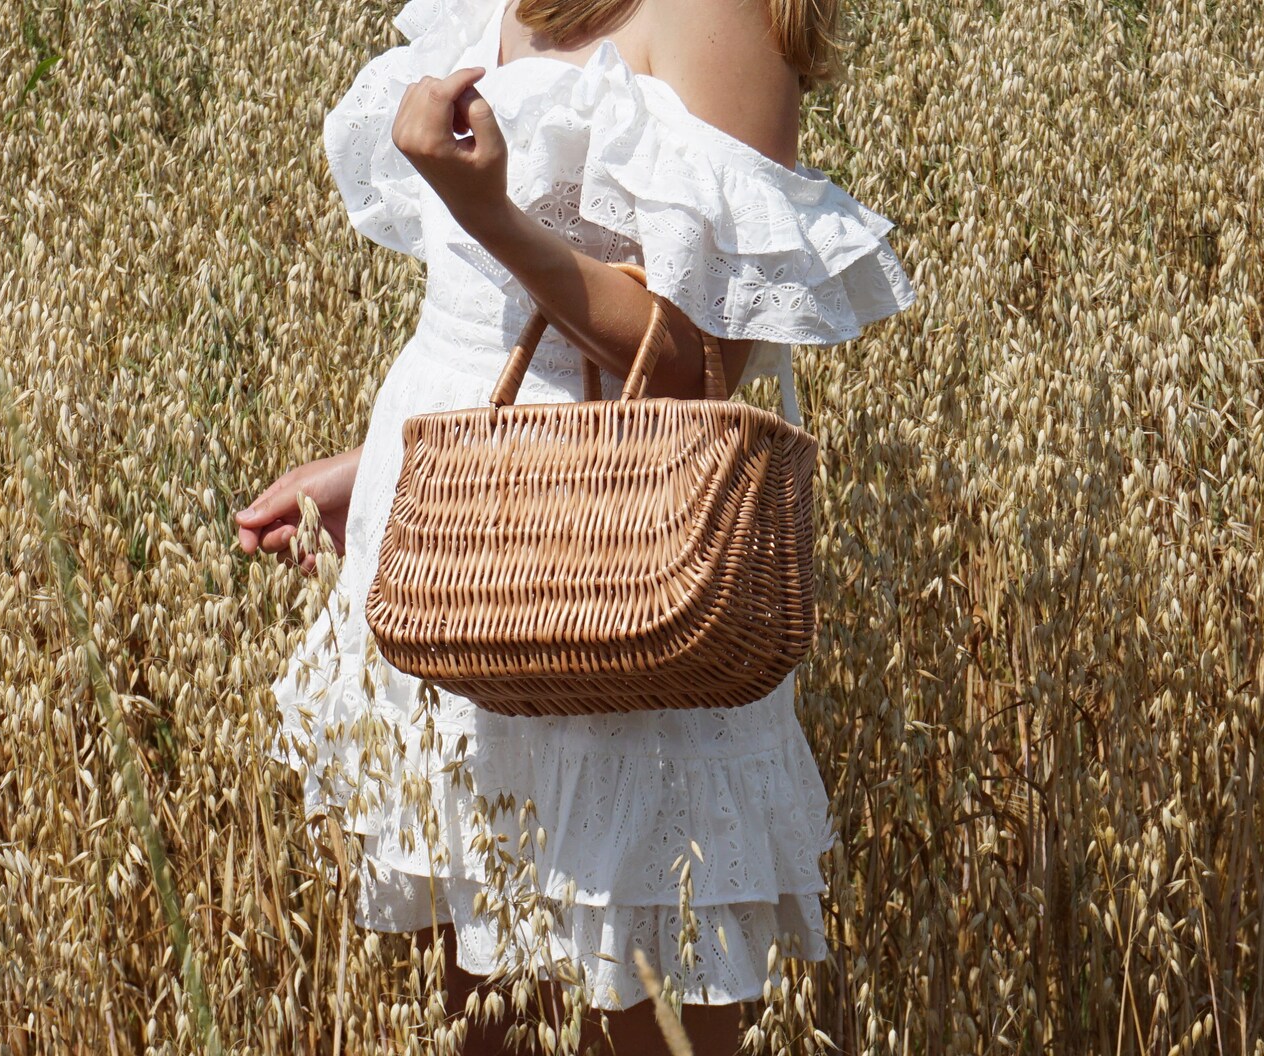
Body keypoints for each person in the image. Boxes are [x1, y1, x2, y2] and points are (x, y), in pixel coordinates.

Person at [235, 0, 915, 1050]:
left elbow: (696, 369)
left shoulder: (719, 16)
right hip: (453, 546)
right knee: (477, 1022)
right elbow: (495, 332)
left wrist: (493, 213)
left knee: (638, 1018)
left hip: (615, 584)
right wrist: (375, 471)